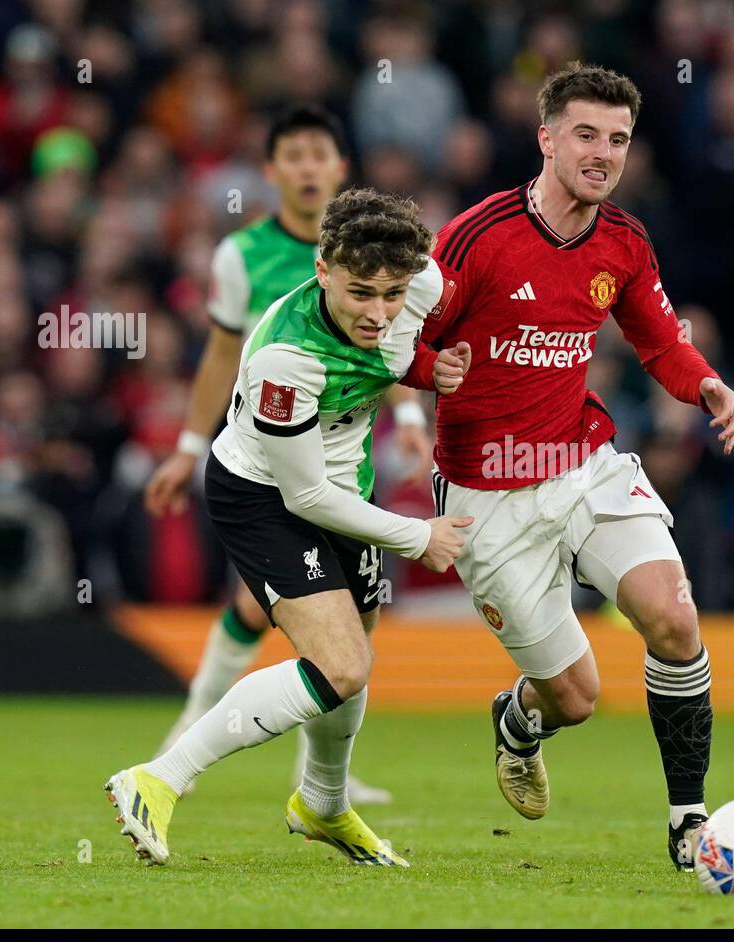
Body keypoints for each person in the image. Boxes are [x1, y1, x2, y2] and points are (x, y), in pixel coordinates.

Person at [402, 64, 734, 869]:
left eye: (618, 139)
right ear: (546, 137)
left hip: (582, 462)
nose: (603, 153)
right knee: (576, 699)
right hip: (486, 495)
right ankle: (520, 721)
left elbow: (659, 339)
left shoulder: (623, 241)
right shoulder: (477, 237)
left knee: (674, 616)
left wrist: (706, 385)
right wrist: (426, 373)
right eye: (586, 135)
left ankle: (689, 820)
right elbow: (399, 334)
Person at [106, 188, 472, 866]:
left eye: (392, 295)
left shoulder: (419, 282)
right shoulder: (285, 359)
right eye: (361, 293)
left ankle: (323, 806)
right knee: (341, 664)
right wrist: (419, 536)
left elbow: (390, 354)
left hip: (345, 491)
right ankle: (157, 778)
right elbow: (304, 496)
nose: (379, 311)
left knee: (352, 665)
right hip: (265, 497)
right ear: (324, 269)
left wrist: (429, 370)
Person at [145, 105, 431, 805]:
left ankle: (323, 784)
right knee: (267, 612)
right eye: (292, 156)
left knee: (351, 638)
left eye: (319, 155)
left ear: (339, 168)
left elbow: (383, 351)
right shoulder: (242, 259)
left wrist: (411, 410)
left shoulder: (394, 266)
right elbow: (220, 357)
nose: (307, 168)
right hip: (269, 464)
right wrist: (188, 445)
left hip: (340, 465)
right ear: (272, 172)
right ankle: (178, 750)